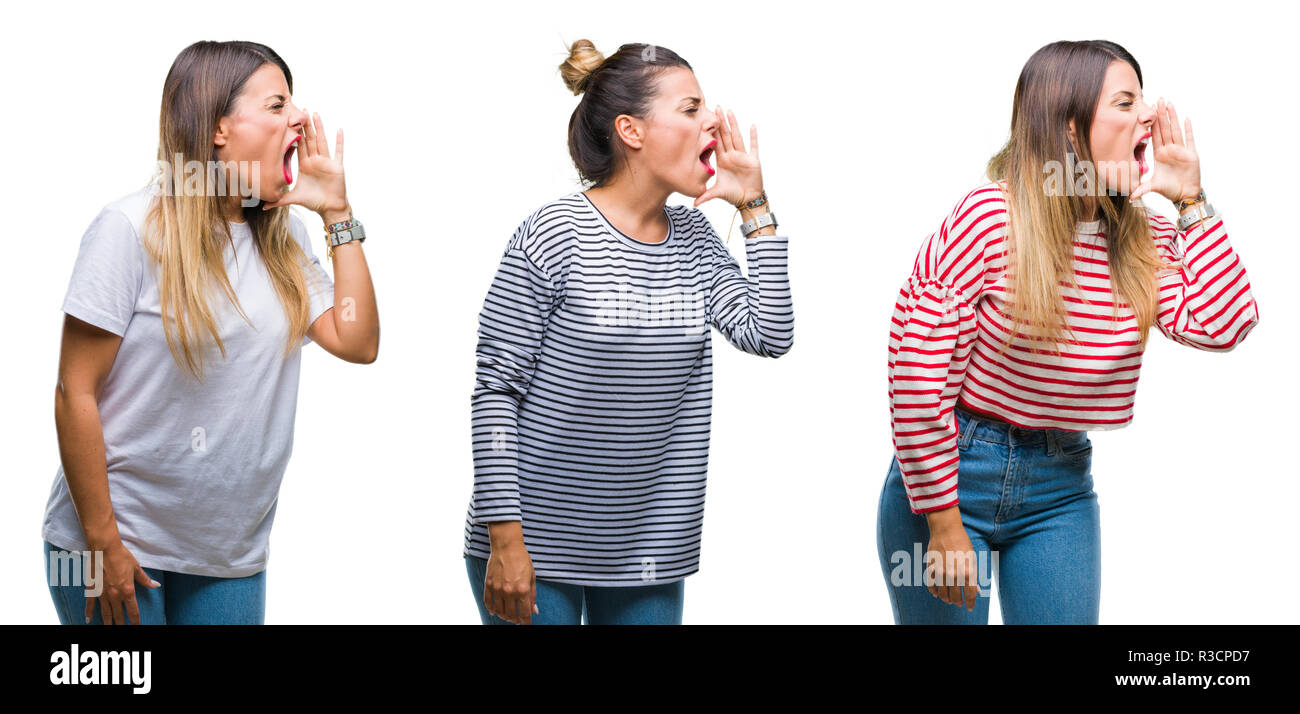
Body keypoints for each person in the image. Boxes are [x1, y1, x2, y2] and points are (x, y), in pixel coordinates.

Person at [876, 39, 1259, 624]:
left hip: (1059, 486)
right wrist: (943, 524)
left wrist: (1191, 200)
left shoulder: (1143, 236)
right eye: (1126, 102)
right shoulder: (990, 216)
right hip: (951, 473)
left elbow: (1226, 322)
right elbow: (916, 373)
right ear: (1072, 132)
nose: (1150, 117)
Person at [42, 40, 379, 625]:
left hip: (227, 554)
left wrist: (336, 214)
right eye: (277, 105)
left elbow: (358, 341)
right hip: (114, 542)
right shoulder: (128, 231)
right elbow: (76, 392)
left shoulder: (285, 243)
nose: (299, 116)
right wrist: (103, 544)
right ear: (219, 127)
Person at [463, 40, 794, 625]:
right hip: (534, 546)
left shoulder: (695, 239)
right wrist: (506, 542)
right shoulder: (553, 234)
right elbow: (496, 391)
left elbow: (768, 333)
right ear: (631, 131)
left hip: (648, 553)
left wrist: (754, 208)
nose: (713, 118)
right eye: (691, 109)